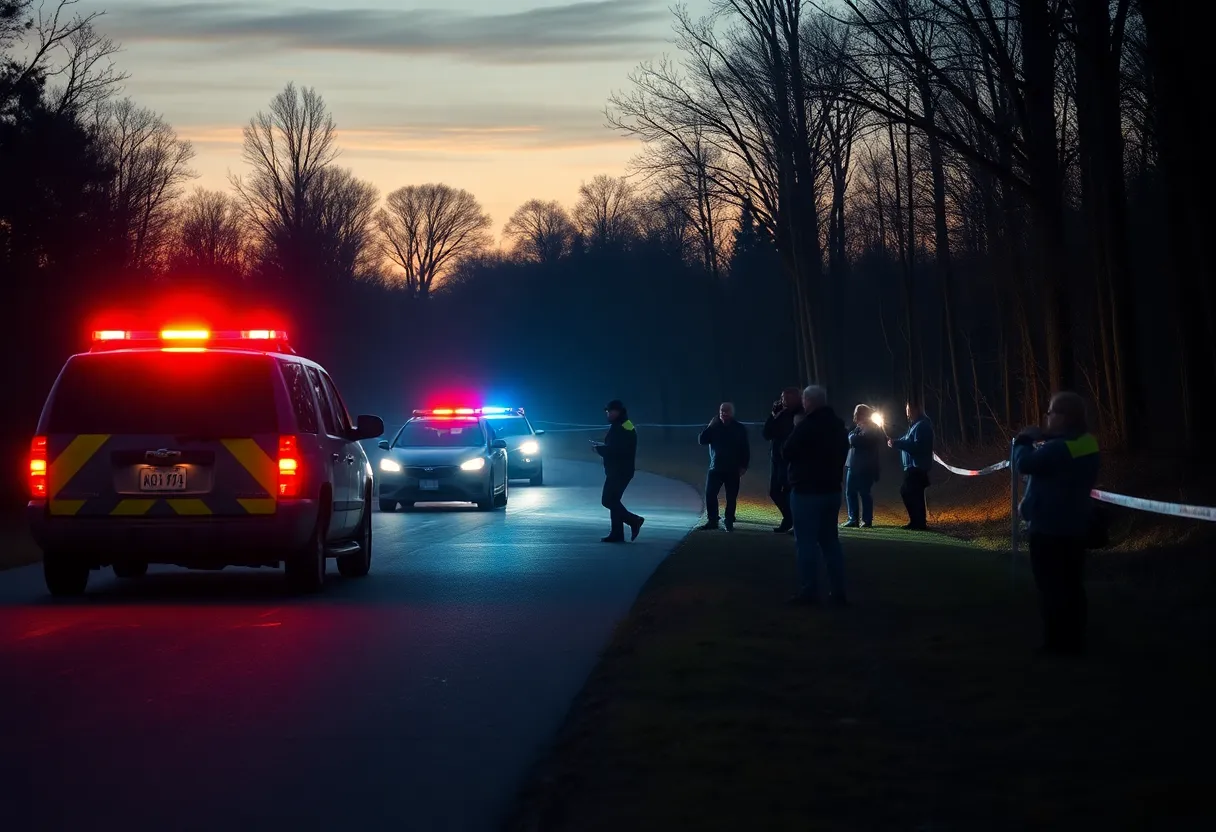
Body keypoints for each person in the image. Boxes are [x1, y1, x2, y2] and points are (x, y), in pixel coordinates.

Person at [1013, 391, 1101, 656]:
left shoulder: (1058, 449)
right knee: (1072, 586)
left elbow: (1024, 464)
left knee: (1050, 587)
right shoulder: (1086, 444)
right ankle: (1075, 640)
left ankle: (1056, 643)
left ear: (1064, 417)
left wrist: (1023, 440)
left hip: (1049, 528)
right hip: (1074, 526)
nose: (1047, 417)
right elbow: (1061, 459)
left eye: (1051, 412)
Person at [781, 385, 850, 605]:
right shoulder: (838, 425)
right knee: (830, 541)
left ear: (809, 401)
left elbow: (787, 451)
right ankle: (838, 591)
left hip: (807, 491)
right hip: (831, 489)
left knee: (806, 542)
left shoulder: (807, 426)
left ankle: (809, 590)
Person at [593, 399, 644, 543]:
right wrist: (603, 447)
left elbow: (618, 449)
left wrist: (599, 449)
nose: (608, 414)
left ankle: (634, 520)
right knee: (614, 500)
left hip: (621, 470)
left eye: (610, 411)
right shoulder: (619, 425)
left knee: (608, 500)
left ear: (618, 411)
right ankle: (617, 533)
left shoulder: (624, 426)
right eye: (607, 411)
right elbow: (616, 445)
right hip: (617, 469)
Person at [698, 402, 751, 532]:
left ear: (732, 413)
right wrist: (710, 426)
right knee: (710, 494)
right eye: (722, 411)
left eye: (727, 411)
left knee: (731, 496)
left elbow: (745, 448)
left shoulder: (739, 428)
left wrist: (743, 465)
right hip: (715, 467)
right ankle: (713, 520)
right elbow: (702, 440)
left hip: (733, 468)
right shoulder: (714, 426)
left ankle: (729, 520)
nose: (724, 413)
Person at [888, 401, 934, 530]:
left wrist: (898, 444)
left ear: (917, 409)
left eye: (909, 410)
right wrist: (895, 442)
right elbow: (906, 440)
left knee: (909, 492)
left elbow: (916, 446)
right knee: (913, 493)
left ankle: (918, 522)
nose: (907, 413)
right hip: (912, 466)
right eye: (907, 410)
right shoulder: (914, 426)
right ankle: (917, 521)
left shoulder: (922, 426)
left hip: (917, 466)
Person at [762, 386, 803, 534]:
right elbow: (767, 433)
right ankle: (789, 518)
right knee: (774, 491)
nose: (783, 401)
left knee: (788, 490)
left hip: (791, 459)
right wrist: (773, 416)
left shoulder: (799, 413)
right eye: (782, 398)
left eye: (786, 398)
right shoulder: (780, 413)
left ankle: (794, 522)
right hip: (777, 457)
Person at [843, 404, 882, 528]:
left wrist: (852, 437)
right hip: (854, 464)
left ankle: (866, 519)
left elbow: (858, 441)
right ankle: (853, 518)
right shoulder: (858, 428)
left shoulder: (872, 428)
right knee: (850, 492)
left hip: (865, 466)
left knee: (864, 492)